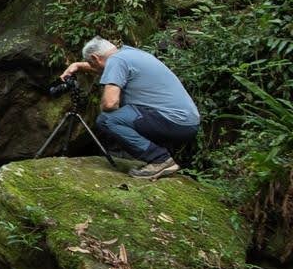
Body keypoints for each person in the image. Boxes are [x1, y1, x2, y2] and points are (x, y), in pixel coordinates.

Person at [60, 36, 200, 179]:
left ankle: (160, 160)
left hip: (172, 121)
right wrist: (78, 65)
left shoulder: (116, 61)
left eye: (91, 63)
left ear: (95, 58)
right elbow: (102, 66)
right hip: (186, 122)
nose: (95, 70)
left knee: (108, 120)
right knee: (128, 114)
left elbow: (110, 103)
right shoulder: (129, 54)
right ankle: (161, 160)